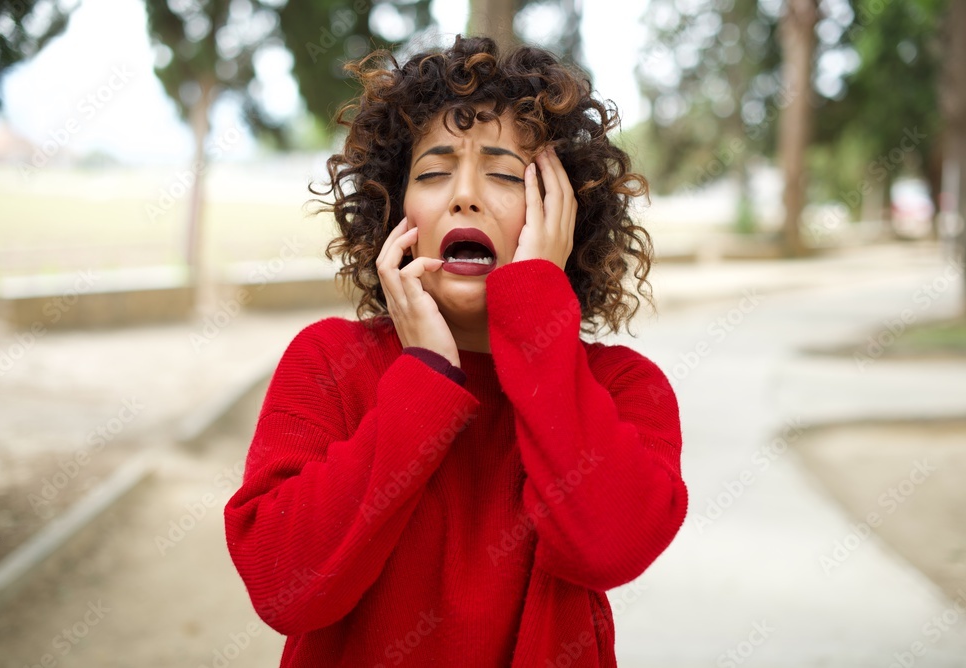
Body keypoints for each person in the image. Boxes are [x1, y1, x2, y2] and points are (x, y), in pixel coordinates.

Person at [224, 34, 688, 667]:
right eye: (434, 172)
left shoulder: (624, 387)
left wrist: (536, 322)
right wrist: (424, 378)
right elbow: (286, 589)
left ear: (563, 214)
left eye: (503, 174)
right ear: (396, 210)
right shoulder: (329, 362)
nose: (463, 195)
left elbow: (608, 545)